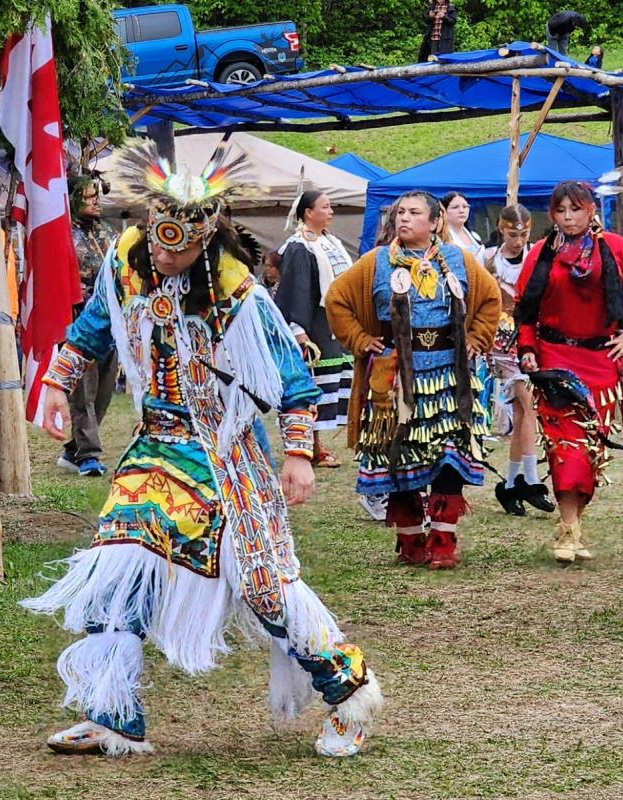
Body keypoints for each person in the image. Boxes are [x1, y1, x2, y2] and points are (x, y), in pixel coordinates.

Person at [21, 140, 382, 758]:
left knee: (265, 588)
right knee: (120, 564)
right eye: (157, 242)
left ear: (205, 236)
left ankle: (350, 693)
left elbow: (292, 380)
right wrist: (57, 381)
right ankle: (112, 713)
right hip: (154, 445)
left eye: (178, 247)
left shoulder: (236, 290)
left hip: (223, 453)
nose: (163, 255)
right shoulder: (128, 258)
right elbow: (94, 325)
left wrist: (297, 453)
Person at [326, 190, 500, 569]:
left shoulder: (459, 260)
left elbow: (490, 300)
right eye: (400, 212)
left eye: (414, 213)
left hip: (449, 377)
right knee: (399, 457)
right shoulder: (376, 263)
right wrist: (359, 339)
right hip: (396, 379)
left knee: (449, 458)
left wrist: (476, 339)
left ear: (435, 222)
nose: (404, 218)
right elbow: (337, 298)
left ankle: (443, 542)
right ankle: (410, 542)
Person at [514, 182, 623, 561]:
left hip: (601, 361)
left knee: (591, 449)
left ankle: (573, 522)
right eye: (561, 210)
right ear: (552, 215)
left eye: (576, 209)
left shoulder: (618, 249)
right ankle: (568, 526)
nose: (568, 217)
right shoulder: (541, 254)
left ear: (591, 210)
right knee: (565, 445)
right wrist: (526, 348)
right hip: (554, 358)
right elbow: (524, 308)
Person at [274, 191, 354, 468]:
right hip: (315, 325)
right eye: (325, 207)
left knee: (334, 382)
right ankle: (312, 447)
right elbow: (295, 291)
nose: (331, 212)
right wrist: (297, 329)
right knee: (315, 385)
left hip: (336, 322)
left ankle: (318, 445)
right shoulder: (298, 247)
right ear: (309, 212)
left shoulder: (330, 242)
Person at [483, 205, 553, 517]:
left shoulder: (536, 256)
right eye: (513, 234)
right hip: (501, 342)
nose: (518, 240)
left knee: (524, 409)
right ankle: (531, 479)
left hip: (529, 338)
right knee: (528, 405)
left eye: (524, 234)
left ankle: (512, 482)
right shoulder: (488, 260)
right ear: (502, 229)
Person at [57, 177, 120, 477]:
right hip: (79, 319)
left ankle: (73, 449)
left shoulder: (110, 234)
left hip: (112, 322)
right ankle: (89, 456)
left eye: (97, 196)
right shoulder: (63, 236)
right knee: (84, 392)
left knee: (105, 392)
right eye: (88, 197)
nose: (95, 201)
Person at [441, 192, 485, 265]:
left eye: (465, 206)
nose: (461, 211)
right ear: (444, 211)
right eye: (455, 207)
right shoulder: (442, 238)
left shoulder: (475, 236)